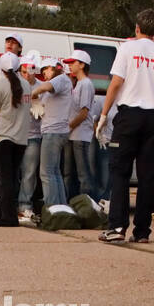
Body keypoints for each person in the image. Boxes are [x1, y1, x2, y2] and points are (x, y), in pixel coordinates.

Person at [97, 9, 154, 245]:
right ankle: (142, 231)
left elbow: (116, 83)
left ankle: (117, 227)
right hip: (153, 117)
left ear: (137, 28)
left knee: (120, 172)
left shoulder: (127, 48)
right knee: (147, 178)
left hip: (129, 115)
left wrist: (103, 115)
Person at [0, 52, 31, 226]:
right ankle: (3, 214)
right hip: (20, 139)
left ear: (2, 69)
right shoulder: (27, 85)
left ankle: (8, 217)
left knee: (5, 179)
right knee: (13, 178)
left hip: (3, 136)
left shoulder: (0, 85)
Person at [31, 59, 73, 207]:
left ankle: (52, 207)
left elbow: (45, 87)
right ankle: (61, 207)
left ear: (54, 68)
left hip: (53, 131)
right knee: (54, 172)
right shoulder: (63, 81)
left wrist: (33, 93)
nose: (45, 75)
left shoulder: (60, 79)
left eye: (46, 71)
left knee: (47, 172)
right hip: (57, 131)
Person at [65, 51, 96, 199]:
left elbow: (84, 113)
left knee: (83, 174)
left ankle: (87, 204)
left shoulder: (86, 84)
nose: (70, 66)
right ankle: (74, 203)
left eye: (73, 63)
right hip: (73, 135)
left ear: (82, 65)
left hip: (80, 135)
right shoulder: (78, 84)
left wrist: (68, 127)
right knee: (71, 173)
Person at [17, 52, 44, 221]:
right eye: (23, 71)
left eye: (30, 71)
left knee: (29, 173)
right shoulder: (16, 85)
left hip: (34, 135)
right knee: (13, 172)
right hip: (17, 134)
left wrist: (41, 108)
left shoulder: (42, 86)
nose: (27, 75)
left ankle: (24, 205)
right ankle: (8, 203)